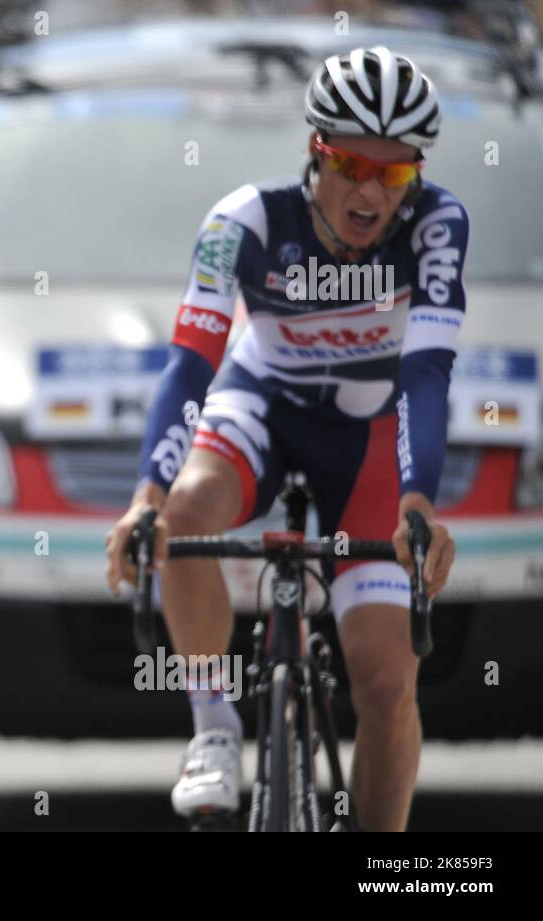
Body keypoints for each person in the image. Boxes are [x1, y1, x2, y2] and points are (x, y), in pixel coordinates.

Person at [106, 47, 461, 832]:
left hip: (367, 439)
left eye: (394, 174)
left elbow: (427, 374)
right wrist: (146, 499)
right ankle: (214, 726)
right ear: (315, 150)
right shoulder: (242, 221)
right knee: (188, 512)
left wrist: (417, 501)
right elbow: (188, 366)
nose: (370, 190)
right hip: (262, 405)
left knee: (386, 684)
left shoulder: (439, 225)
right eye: (351, 164)